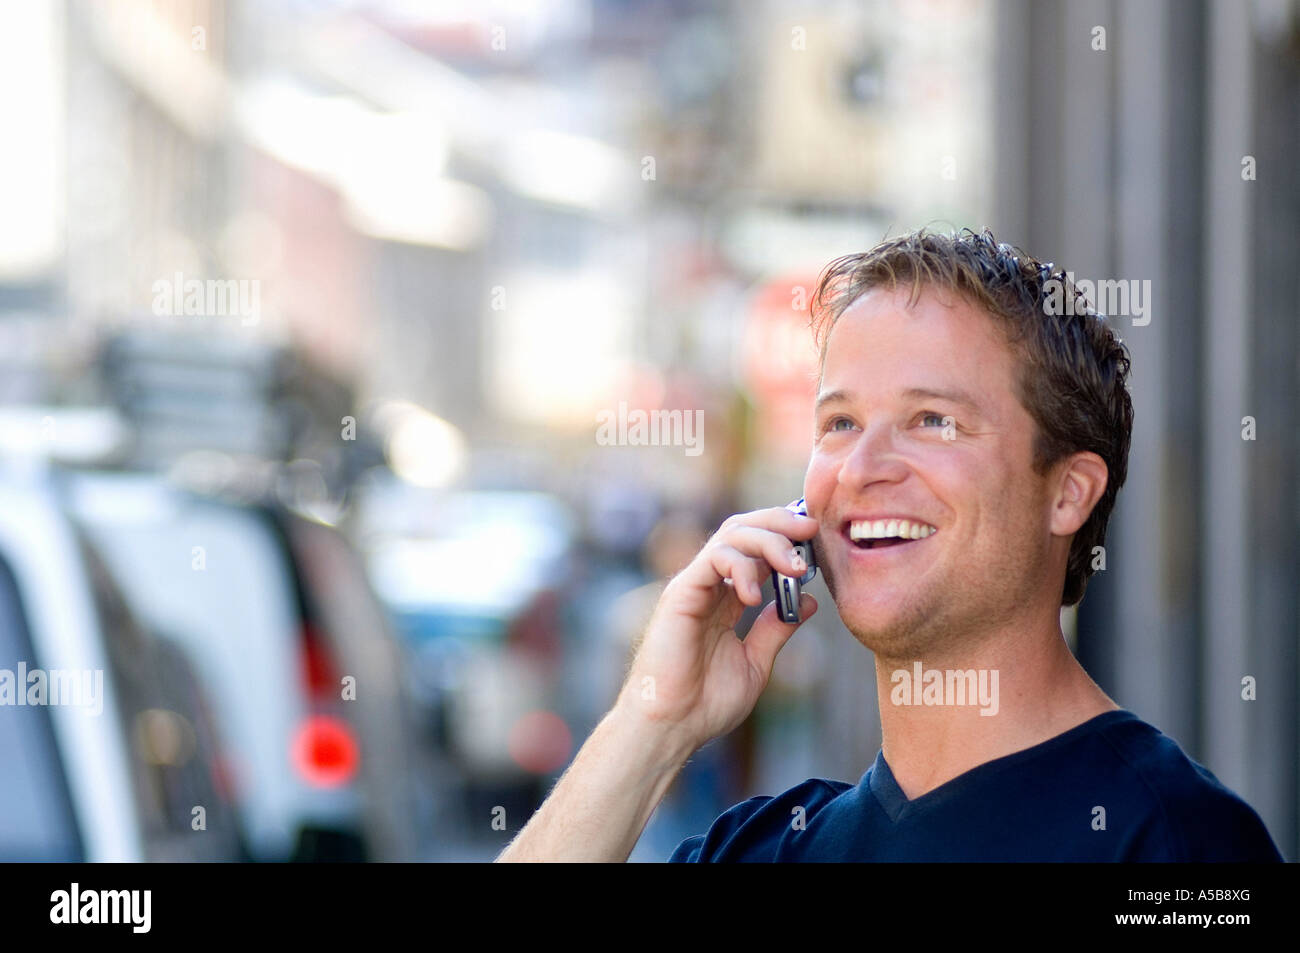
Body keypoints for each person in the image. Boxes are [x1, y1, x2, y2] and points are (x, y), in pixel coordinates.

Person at [495, 227, 1283, 862]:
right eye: (839, 422)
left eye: (932, 420)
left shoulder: (1177, 844)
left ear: (1068, 491)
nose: (863, 469)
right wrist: (656, 721)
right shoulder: (767, 846)